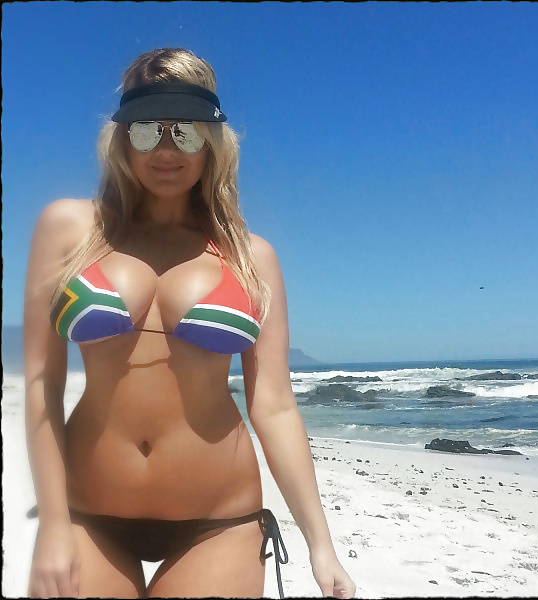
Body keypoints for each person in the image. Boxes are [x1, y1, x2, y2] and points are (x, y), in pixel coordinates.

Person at [24, 47, 356, 599]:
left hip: (219, 519)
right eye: (147, 129)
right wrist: (53, 525)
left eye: (185, 131)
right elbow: (43, 384)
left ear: (212, 141)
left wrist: (321, 545)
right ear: (121, 137)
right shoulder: (69, 230)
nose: (166, 149)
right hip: (87, 513)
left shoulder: (250, 257)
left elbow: (273, 406)